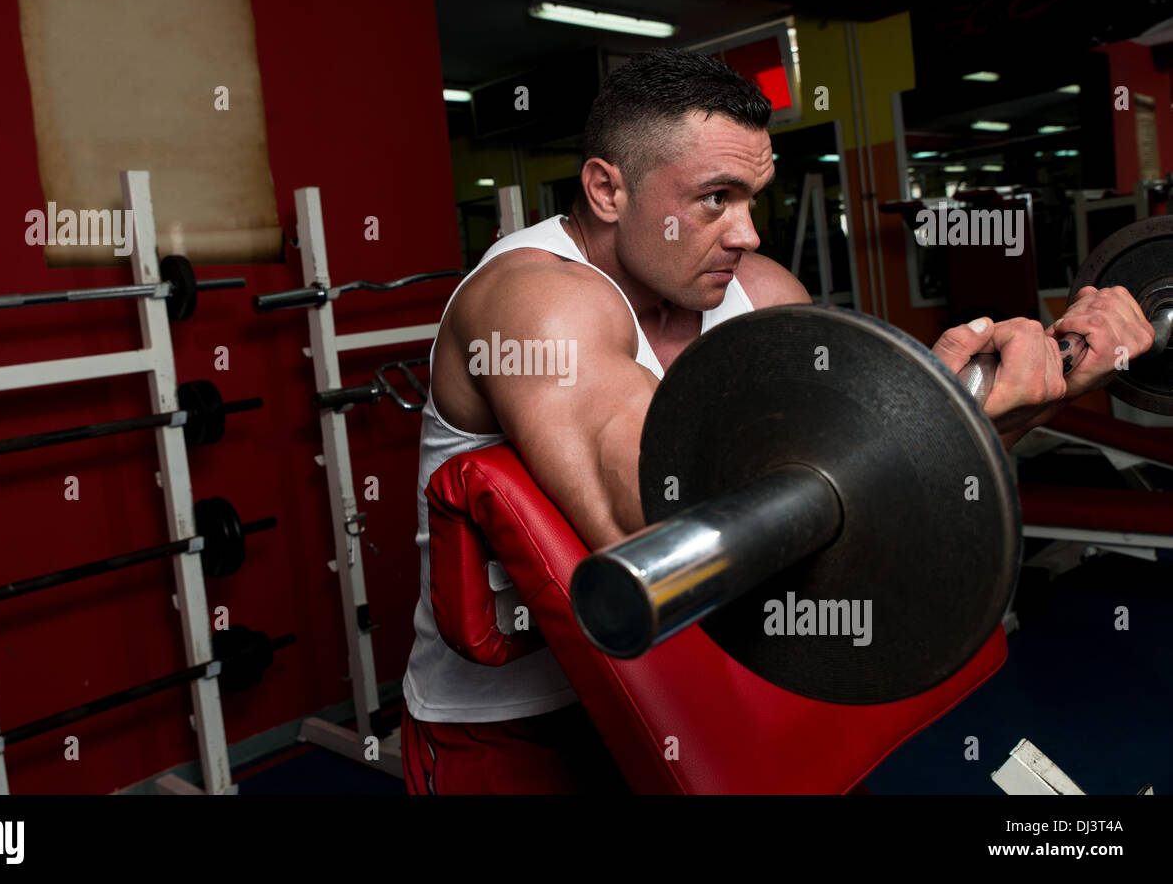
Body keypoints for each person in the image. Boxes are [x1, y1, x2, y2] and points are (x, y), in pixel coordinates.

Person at [400, 50, 1155, 794]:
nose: (747, 233)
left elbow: (867, 500)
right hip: (522, 730)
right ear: (606, 189)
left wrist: (1048, 382)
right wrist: (945, 407)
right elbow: (661, 517)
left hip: (712, 686)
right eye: (714, 199)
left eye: (753, 198)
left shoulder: (756, 292)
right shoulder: (532, 300)